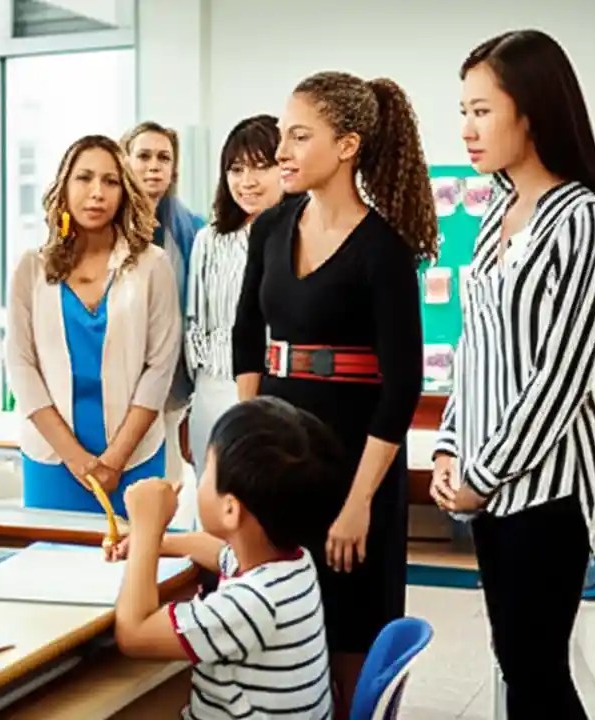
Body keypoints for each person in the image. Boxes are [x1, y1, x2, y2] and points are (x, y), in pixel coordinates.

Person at [431, 30, 595, 719]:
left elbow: (562, 377)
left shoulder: (585, 221)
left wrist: (483, 474)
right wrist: (451, 445)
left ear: (531, 111)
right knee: (517, 662)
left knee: (535, 667)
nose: (467, 129)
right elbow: (473, 351)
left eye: (481, 110)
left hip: (548, 489)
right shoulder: (493, 217)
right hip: (489, 482)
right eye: (463, 111)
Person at [231, 71, 434, 717]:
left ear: (346, 145)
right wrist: (245, 441)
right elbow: (245, 334)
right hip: (279, 454)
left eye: (298, 136)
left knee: (348, 621)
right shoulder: (270, 228)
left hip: (356, 462)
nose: (281, 151)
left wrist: (357, 504)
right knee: (276, 618)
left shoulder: (384, 250)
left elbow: (402, 384)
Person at [108, 398, 339, 719]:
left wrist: (147, 526)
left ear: (231, 509)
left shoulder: (249, 604)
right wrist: (155, 544)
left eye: (207, 471)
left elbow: (134, 635)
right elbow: (219, 553)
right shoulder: (293, 564)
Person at [5, 135, 180, 517]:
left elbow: (161, 366)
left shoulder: (153, 265)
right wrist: (75, 458)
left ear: (124, 192)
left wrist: (114, 460)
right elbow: (20, 365)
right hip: (52, 457)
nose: (97, 192)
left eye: (110, 181)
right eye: (84, 178)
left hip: (135, 458)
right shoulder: (30, 268)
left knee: (132, 567)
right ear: (64, 187)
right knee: (53, 566)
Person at [185, 115, 285, 475]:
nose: (247, 182)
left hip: (278, 393)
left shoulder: (300, 237)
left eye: (261, 167)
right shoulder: (210, 239)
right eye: (236, 169)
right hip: (213, 391)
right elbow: (193, 323)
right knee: (212, 510)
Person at [121, 122, 206, 487]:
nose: (153, 166)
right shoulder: (104, 229)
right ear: (124, 162)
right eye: (143, 156)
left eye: (163, 158)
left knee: (165, 487)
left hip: (172, 385)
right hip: (116, 383)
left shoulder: (195, 230)